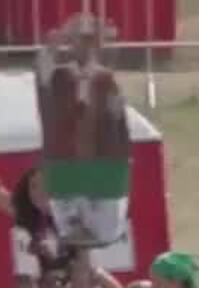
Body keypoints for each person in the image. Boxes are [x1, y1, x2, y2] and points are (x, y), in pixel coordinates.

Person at [34, 16, 131, 249]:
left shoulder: (106, 79)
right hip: (65, 163)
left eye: (89, 41)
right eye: (78, 40)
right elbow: (42, 79)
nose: (83, 47)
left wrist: (122, 157)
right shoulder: (60, 77)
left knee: (99, 231)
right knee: (73, 231)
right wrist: (51, 48)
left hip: (103, 163)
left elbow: (118, 120)